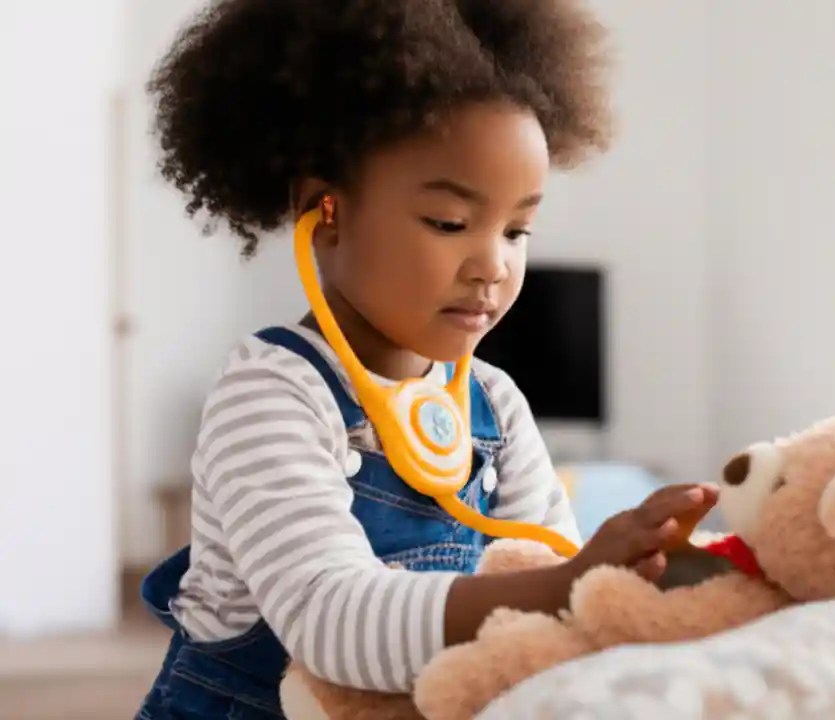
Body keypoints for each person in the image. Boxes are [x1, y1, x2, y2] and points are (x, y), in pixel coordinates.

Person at [133, 1, 718, 717]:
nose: (492, 266)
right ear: (327, 211)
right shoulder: (271, 393)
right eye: (450, 223)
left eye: (517, 229)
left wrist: (625, 574)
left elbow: (546, 584)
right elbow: (332, 622)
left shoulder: (496, 407)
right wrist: (574, 583)